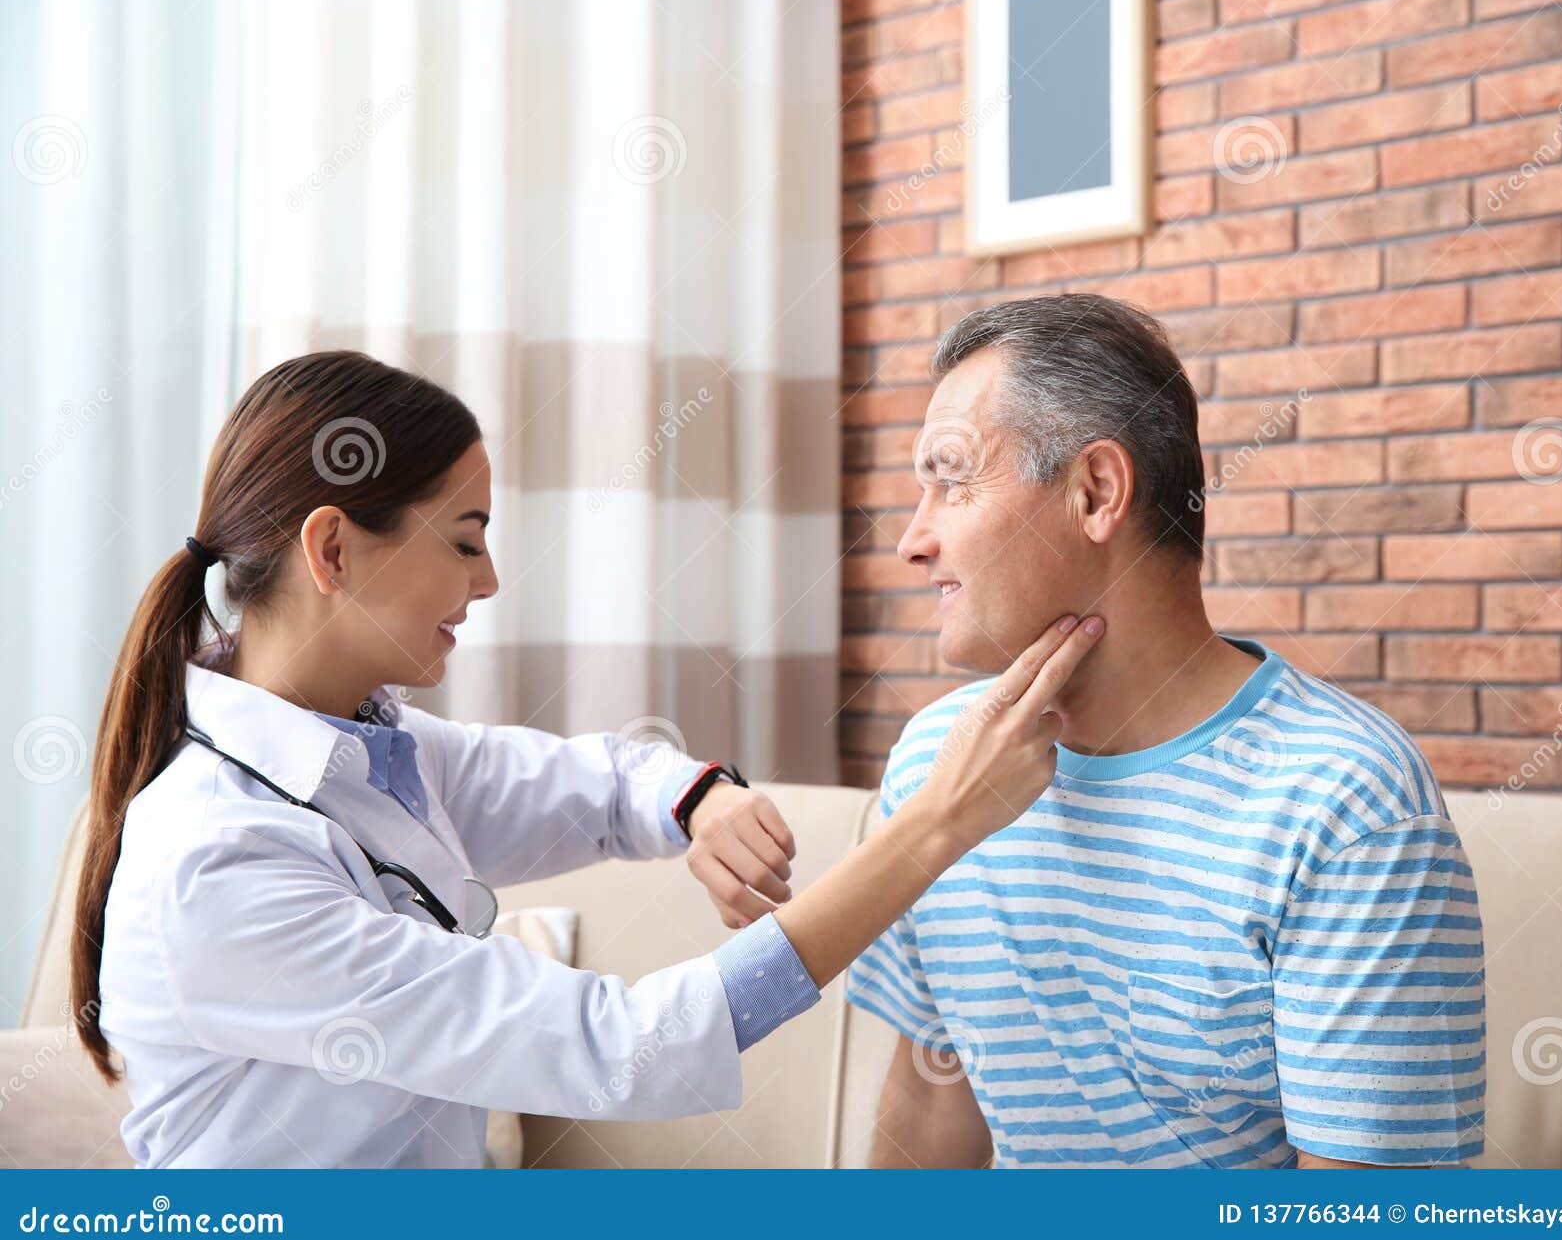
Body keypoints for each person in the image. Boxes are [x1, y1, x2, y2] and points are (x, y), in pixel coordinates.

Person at [71, 350, 1104, 1168]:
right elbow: (619, 1048)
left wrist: (695, 797)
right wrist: (934, 827)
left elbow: (592, 780)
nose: (488, 580)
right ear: (333, 550)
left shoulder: (368, 746)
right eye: (465, 538)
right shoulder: (218, 861)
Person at [845, 293, 1486, 1170]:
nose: (912, 540)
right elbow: (929, 1104)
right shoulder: (934, 765)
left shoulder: (1345, 803)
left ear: (1095, 491)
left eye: (950, 479)